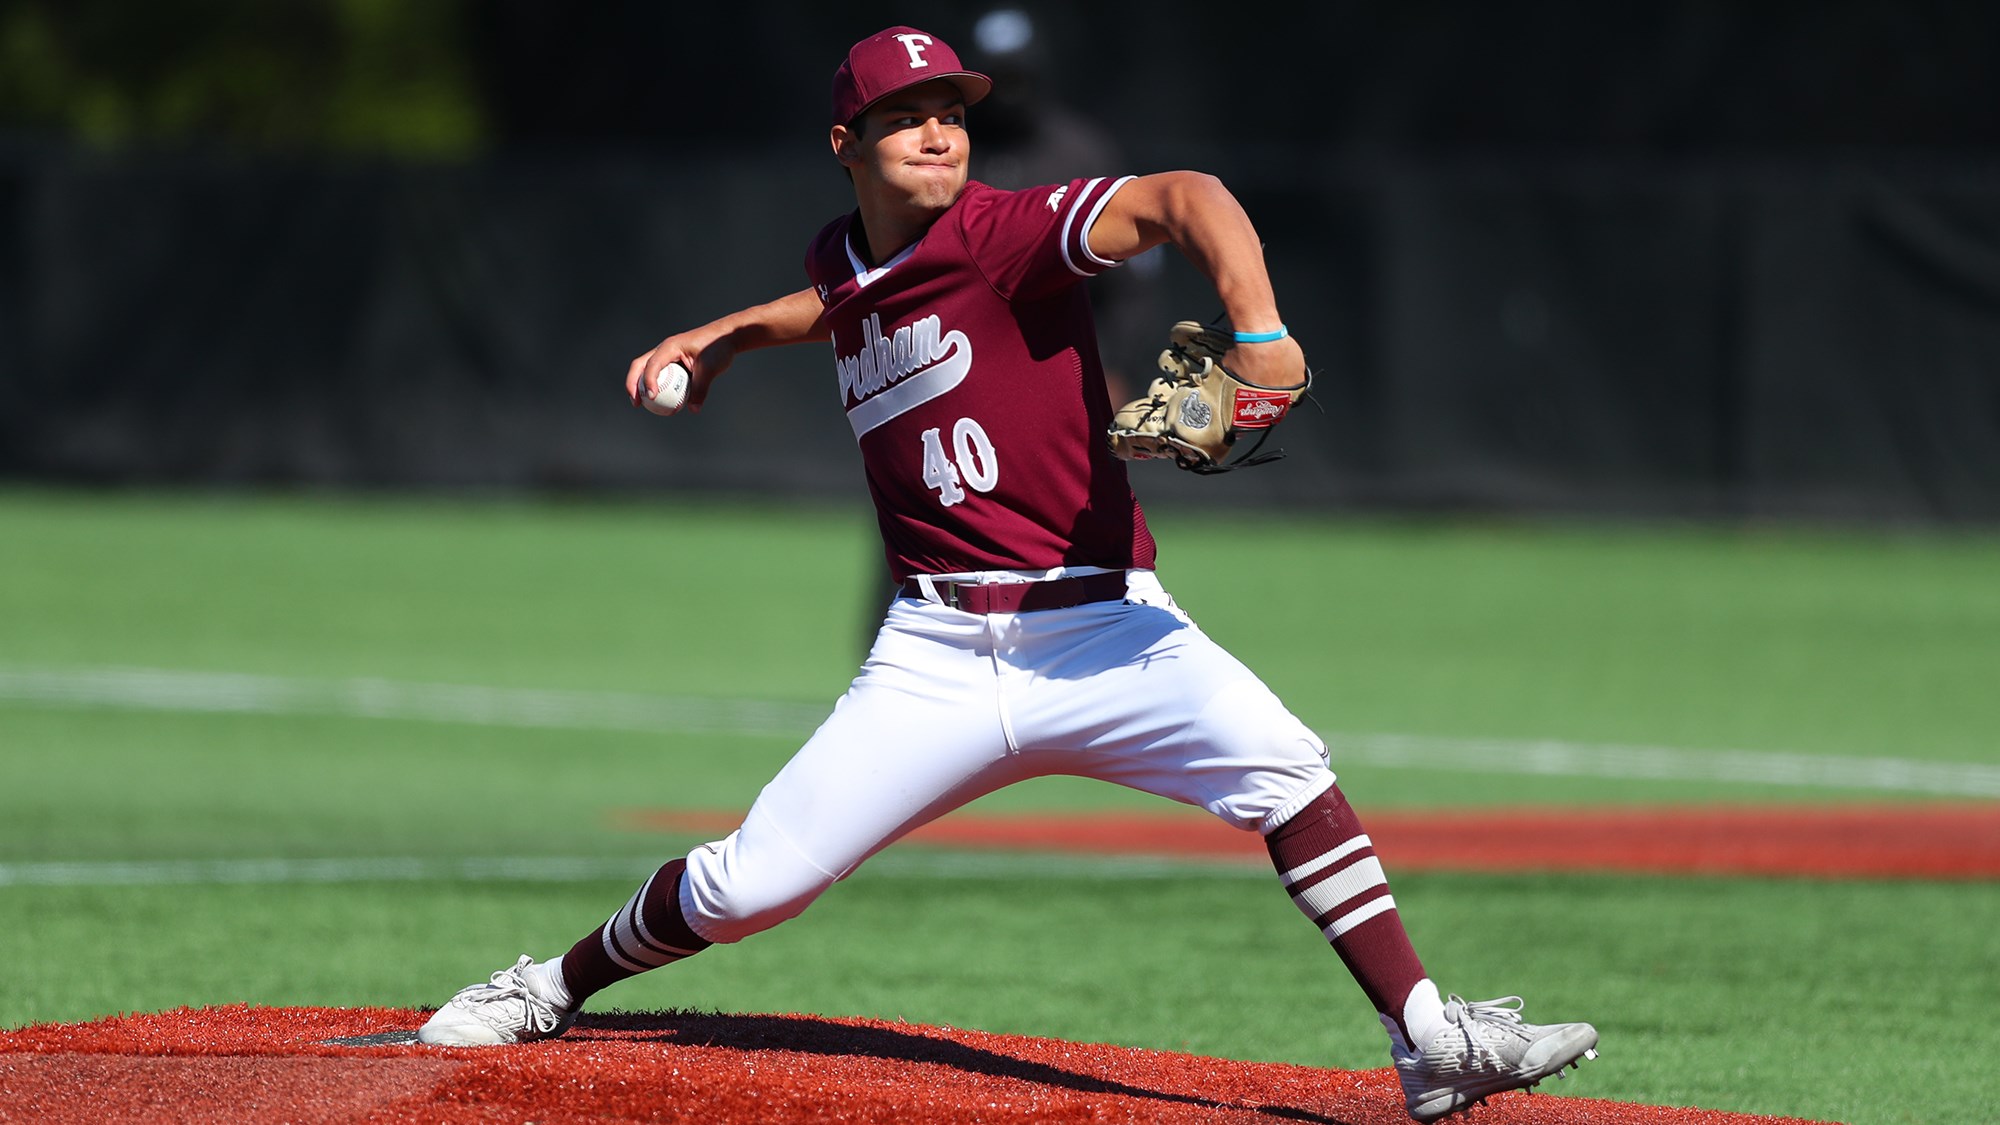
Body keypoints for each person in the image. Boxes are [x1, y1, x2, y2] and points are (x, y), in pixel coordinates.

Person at [418, 25, 1598, 1123]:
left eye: (951, 113)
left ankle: (1427, 1040)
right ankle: (546, 986)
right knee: (746, 890)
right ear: (845, 145)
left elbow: (1188, 196)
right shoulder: (843, 255)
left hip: (1104, 630)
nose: (937, 134)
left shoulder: (1006, 232)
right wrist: (723, 336)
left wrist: (1255, 329)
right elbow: (842, 301)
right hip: (932, 653)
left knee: (1286, 769)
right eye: (904, 118)